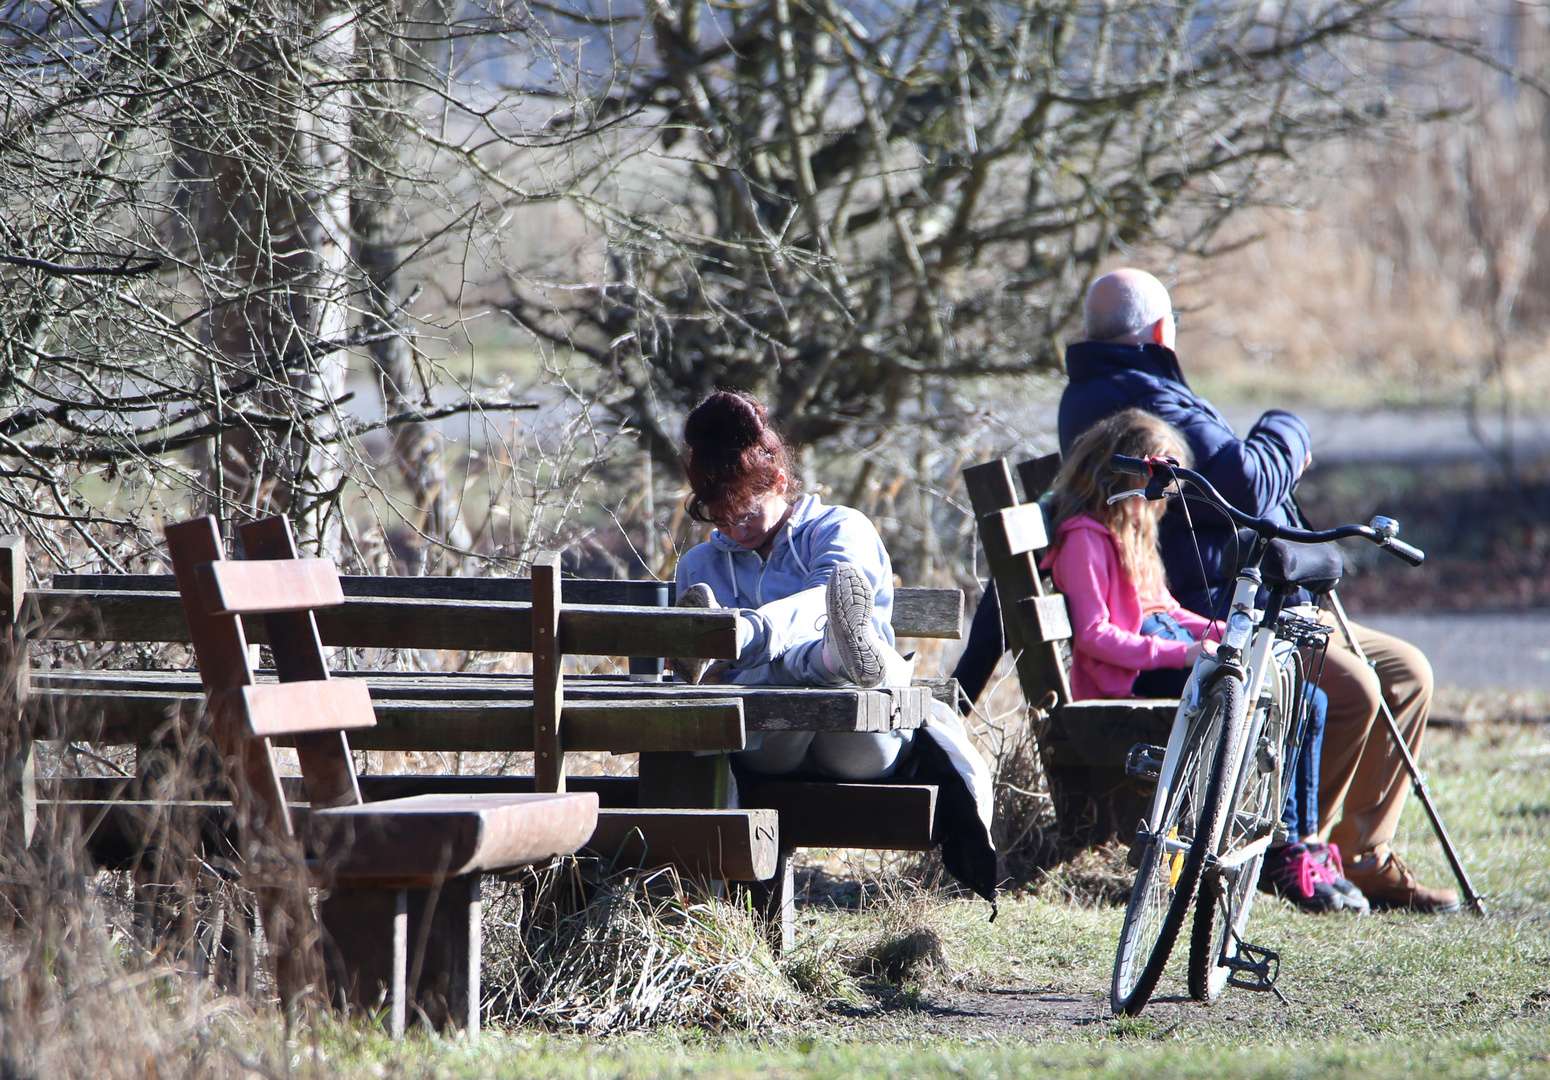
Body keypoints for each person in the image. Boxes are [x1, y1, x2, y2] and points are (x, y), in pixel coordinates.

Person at [1055, 267, 1456, 913]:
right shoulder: (1136, 399)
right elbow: (1246, 488)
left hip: (1231, 608)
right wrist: (1288, 430)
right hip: (1222, 606)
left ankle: (1365, 857)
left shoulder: (1125, 388)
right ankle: (1296, 852)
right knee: (1354, 690)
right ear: (1160, 331)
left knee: (1407, 672)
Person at [672, 391, 1000, 907]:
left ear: (780, 481)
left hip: (861, 736)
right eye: (720, 519)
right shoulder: (698, 569)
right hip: (767, 745)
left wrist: (746, 637)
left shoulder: (840, 530)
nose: (734, 531)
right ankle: (827, 659)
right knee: (787, 680)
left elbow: (830, 602)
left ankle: (822, 657)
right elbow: (709, 692)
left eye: (747, 514)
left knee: (833, 639)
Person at [1046, 409, 1359, 912]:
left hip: (1162, 653)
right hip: (1132, 679)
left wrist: (1235, 629)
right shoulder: (1085, 536)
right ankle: (1281, 852)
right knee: (1276, 698)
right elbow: (1096, 635)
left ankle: (1301, 842)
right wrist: (1183, 652)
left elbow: (1164, 610)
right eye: (1161, 477)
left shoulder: (1132, 530)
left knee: (1307, 699)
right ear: (1123, 472)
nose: (1167, 492)